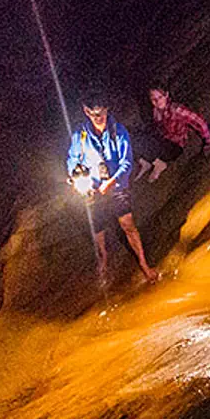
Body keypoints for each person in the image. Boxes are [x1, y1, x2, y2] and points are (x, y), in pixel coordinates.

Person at [66, 90, 159, 285]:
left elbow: (126, 162)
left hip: (115, 185)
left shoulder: (119, 131)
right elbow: (72, 160)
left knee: (128, 224)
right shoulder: (80, 136)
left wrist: (112, 181)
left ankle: (143, 263)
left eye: (101, 113)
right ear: (86, 111)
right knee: (97, 227)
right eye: (94, 114)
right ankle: (103, 257)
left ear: (107, 109)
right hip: (92, 188)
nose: (99, 118)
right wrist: (75, 177)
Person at [136, 88, 210, 182]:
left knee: (142, 142)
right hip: (163, 141)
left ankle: (159, 164)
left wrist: (208, 143)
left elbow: (200, 123)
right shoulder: (156, 112)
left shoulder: (177, 110)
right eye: (154, 99)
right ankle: (146, 163)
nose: (158, 101)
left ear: (166, 95)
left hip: (174, 147)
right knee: (135, 137)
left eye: (160, 97)